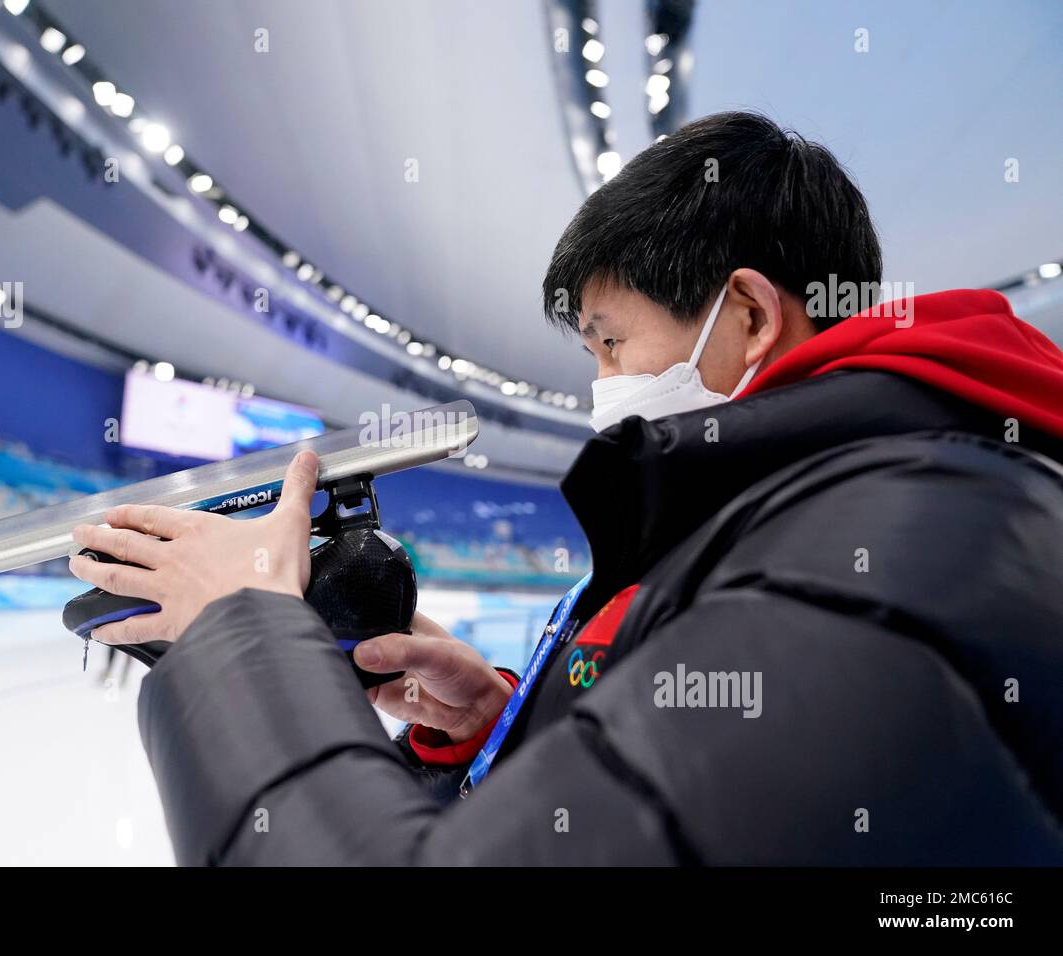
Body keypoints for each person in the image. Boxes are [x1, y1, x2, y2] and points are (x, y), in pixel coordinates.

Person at [68, 112, 1063, 865]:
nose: (601, 386)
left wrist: (240, 633)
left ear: (748, 316)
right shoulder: (825, 514)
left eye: (612, 341)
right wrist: (497, 725)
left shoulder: (882, 548)